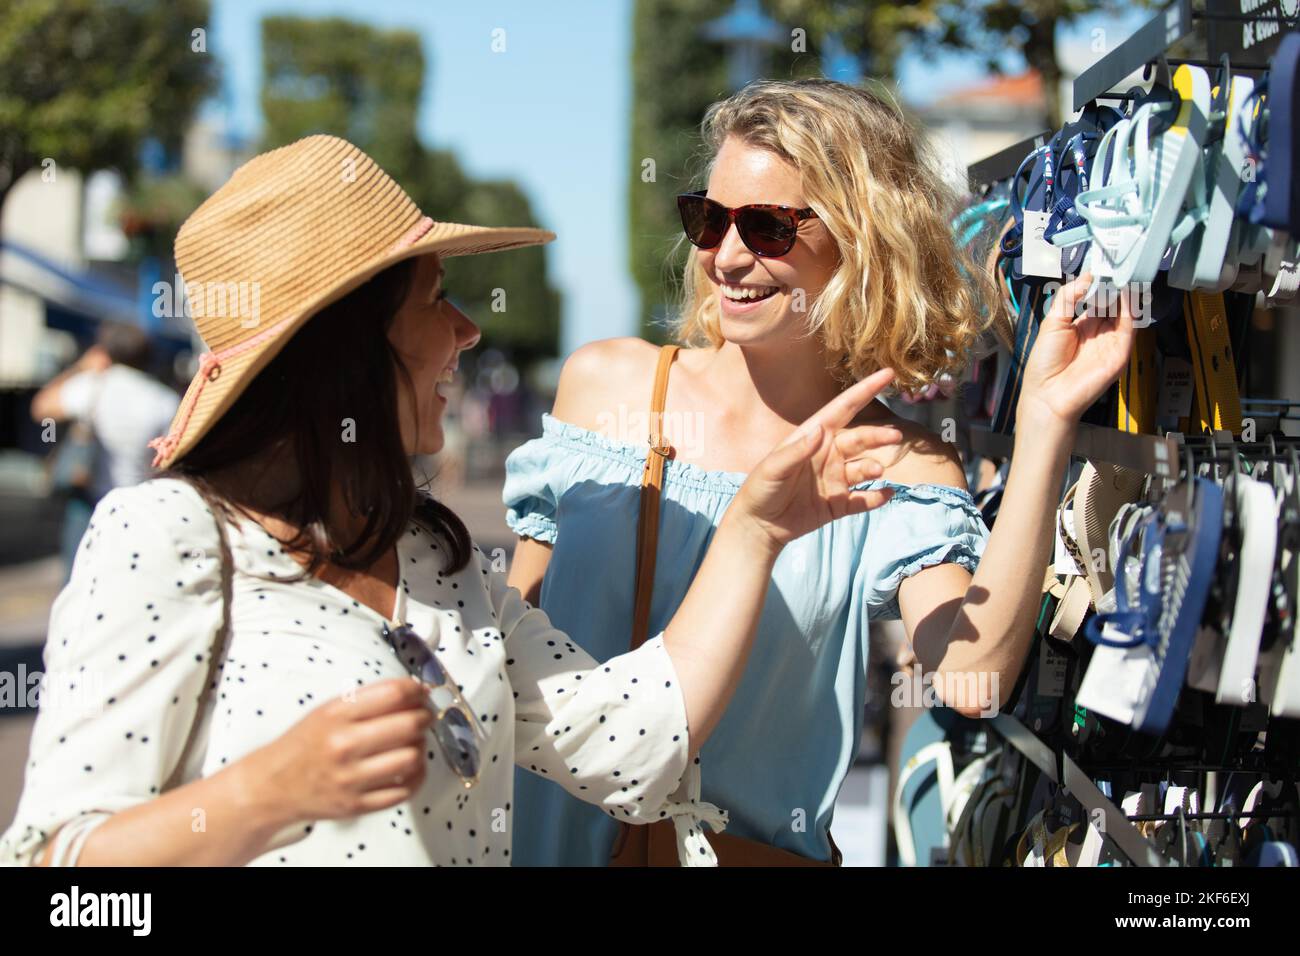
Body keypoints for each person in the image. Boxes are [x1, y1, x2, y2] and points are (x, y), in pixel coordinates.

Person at [0, 134, 905, 867]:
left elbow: (633, 743)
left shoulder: (438, 563)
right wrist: (262, 796)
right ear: (349, 345)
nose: (470, 331)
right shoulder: (167, 537)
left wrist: (753, 530)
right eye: (438, 299)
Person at [503, 78, 1135, 865]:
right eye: (708, 219)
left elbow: (972, 679)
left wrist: (1044, 422)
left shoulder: (895, 463)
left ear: (863, 239)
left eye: (766, 228)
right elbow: (509, 638)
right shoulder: (608, 388)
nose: (726, 257)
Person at [30, 322, 179, 581]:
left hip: (88, 502)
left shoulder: (92, 385)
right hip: (138, 506)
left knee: (78, 584)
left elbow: (42, 407)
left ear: (105, 351)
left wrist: (81, 367)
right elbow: (169, 462)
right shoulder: (164, 401)